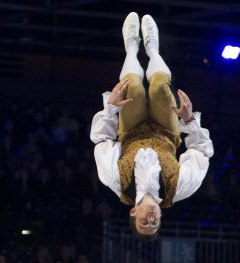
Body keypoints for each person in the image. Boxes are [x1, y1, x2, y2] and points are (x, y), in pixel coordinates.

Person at [90, 12, 214, 239]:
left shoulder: (116, 181)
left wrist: (110, 108)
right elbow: (202, 153)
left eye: (144, 222)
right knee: (157, 88)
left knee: (134, 88)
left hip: (131, 129)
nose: (151, 220)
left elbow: (101, 141)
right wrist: (188, 122)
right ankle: (152, 48)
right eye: (154, 224)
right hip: (166, 131)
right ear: (161, 219)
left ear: (133, 211)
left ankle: (130, 46)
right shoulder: (178, 189)